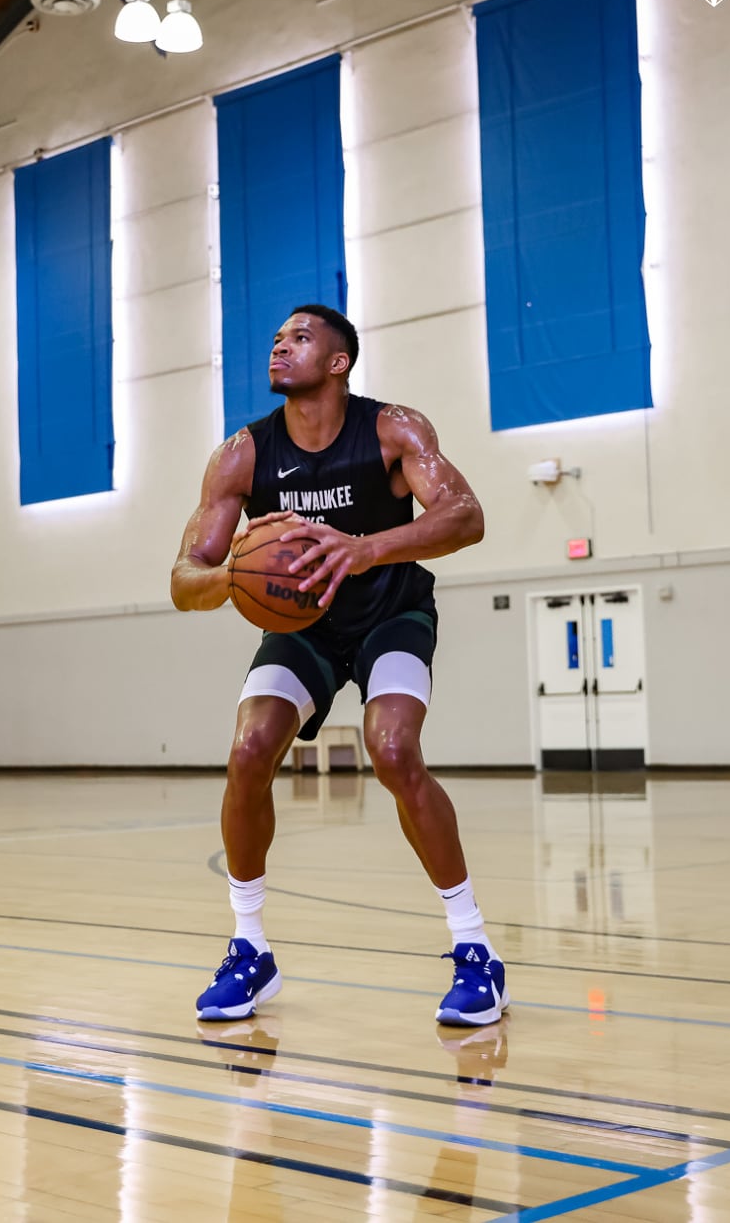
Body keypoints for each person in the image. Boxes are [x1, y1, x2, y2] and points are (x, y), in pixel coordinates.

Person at [170, 305, 507, 1027]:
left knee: (394, 750)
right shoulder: (242, 455)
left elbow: (466, 515)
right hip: (306, 629)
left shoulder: (393, 429)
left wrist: (365, 549)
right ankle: (249, 949)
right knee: (248, 751)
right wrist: (231, 576)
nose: (279, 346)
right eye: (275, 337)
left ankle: (476, 949)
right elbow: (182, 579)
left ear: (337, 361)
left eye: (299, 338)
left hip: (391, 612)